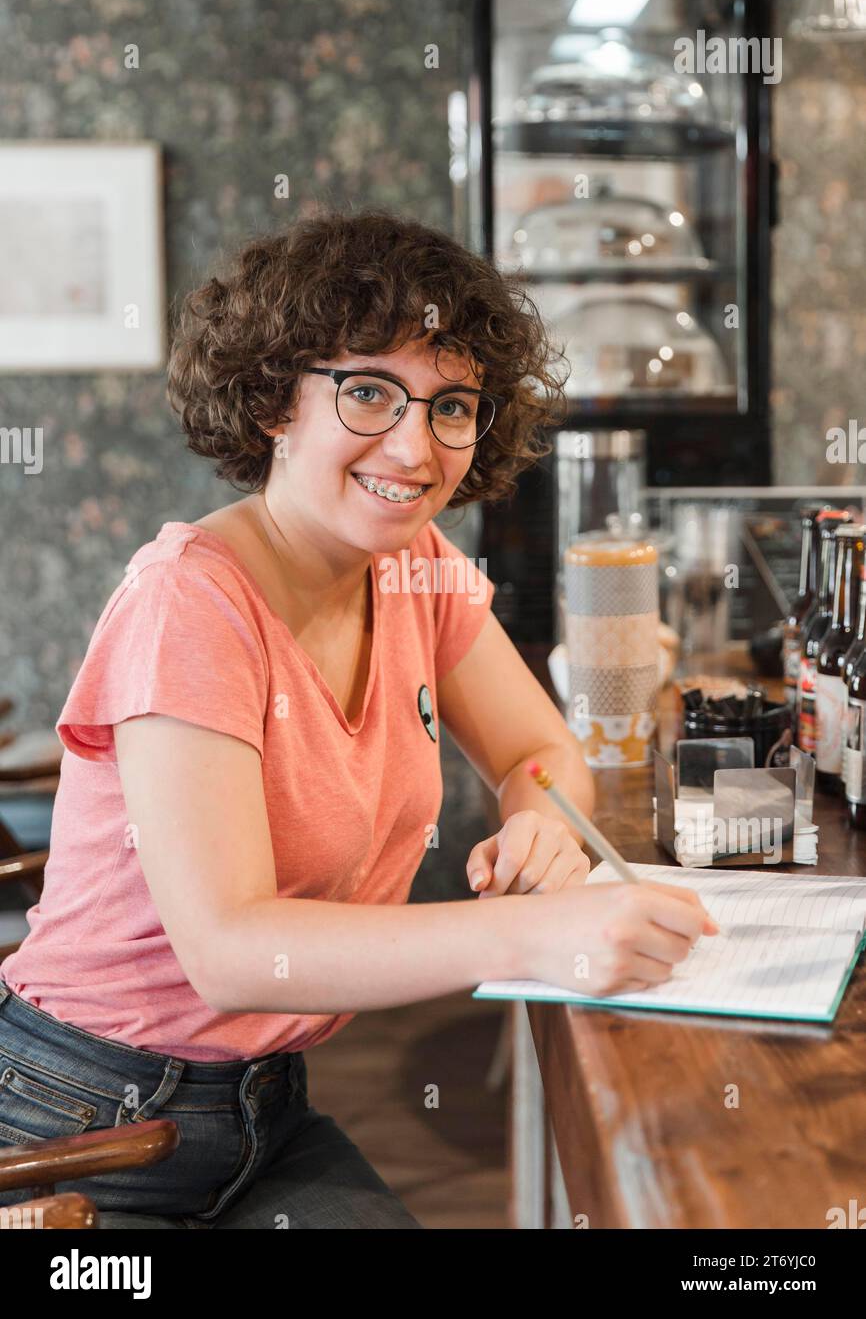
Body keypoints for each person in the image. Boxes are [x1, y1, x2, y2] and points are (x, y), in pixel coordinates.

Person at [0, 209, 716, 1228]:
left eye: (452, 405)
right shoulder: (188, 603)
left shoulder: (414, 567)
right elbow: (231, 949)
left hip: (263, 1103)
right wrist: (525, 933)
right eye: (369, 392)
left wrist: (543, 826)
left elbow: (537, 748)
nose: (416, 446)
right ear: (272, 401)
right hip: (75, 1128)